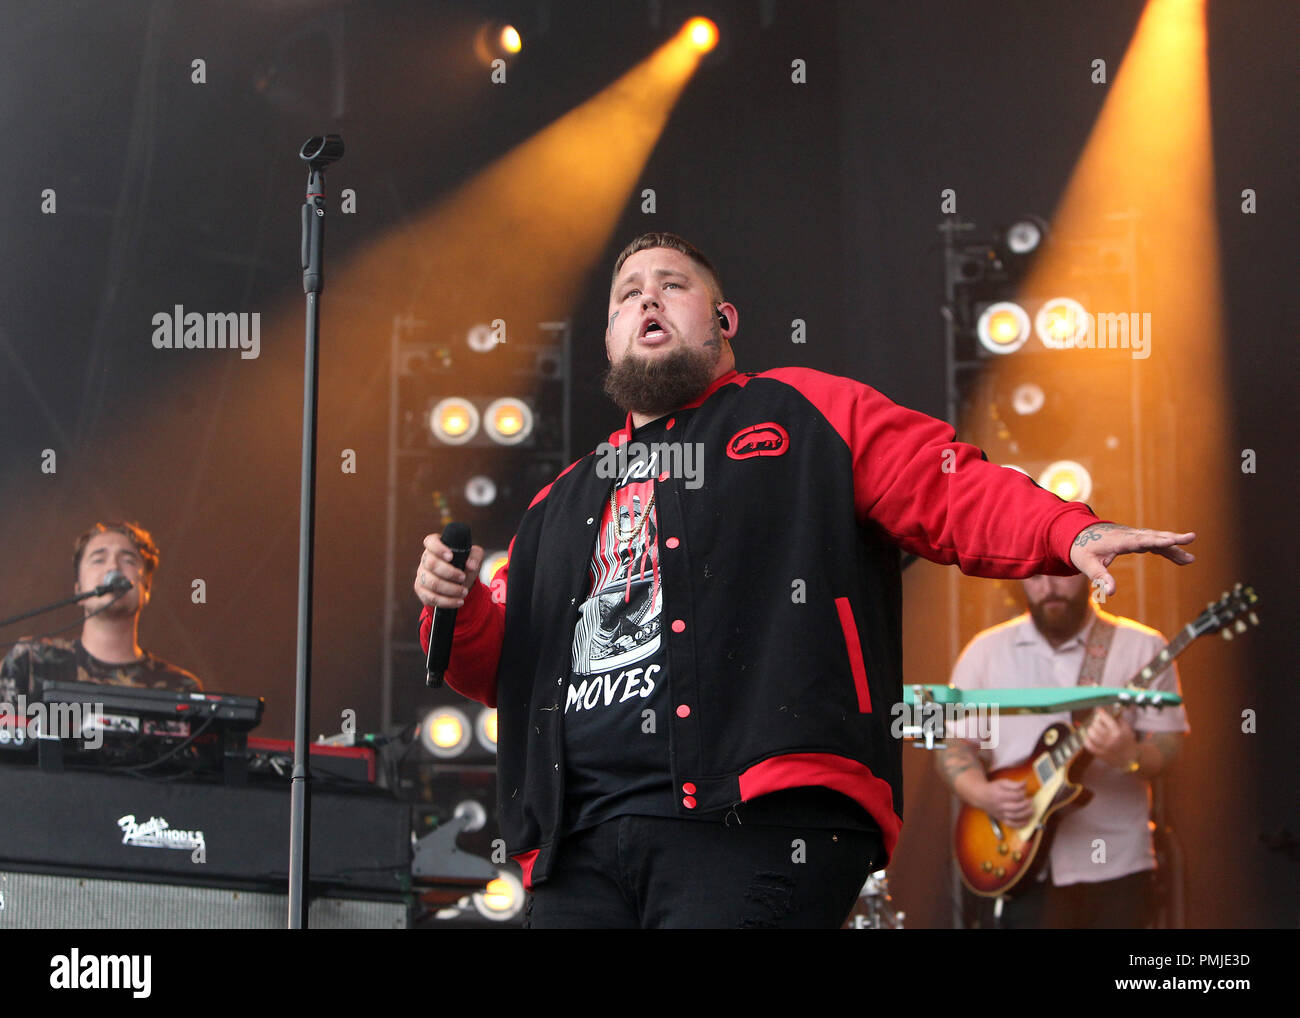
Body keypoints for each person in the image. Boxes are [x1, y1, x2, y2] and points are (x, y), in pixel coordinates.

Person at [412, 231, 1195, 928]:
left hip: (759, 817)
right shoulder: (559, 502)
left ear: (725, 321)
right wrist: (457, 607)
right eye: (628, 294)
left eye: (672, 285)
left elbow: (947, 485)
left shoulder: (802, 411)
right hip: (576, 846)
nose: (647, 298)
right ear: (612, 340)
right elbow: (500, 667)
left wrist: (1067, 529)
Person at [936, 572, 1188, 928]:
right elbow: (952, 744)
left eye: (1061, 574)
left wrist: (1130, 755)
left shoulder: (1142, 647)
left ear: (1086, 573)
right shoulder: (984, 651)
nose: (1049, 588)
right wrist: (982, 794)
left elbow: (1170, 744)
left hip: (1117, 863)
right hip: (1019, 861)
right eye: (1035, 577)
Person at [0, 521, 203, 701]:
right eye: (98, 559)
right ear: (78, 590)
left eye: (128, 560)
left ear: (146, 589)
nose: (113, 567)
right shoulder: (31, 661)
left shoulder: (180, 688)